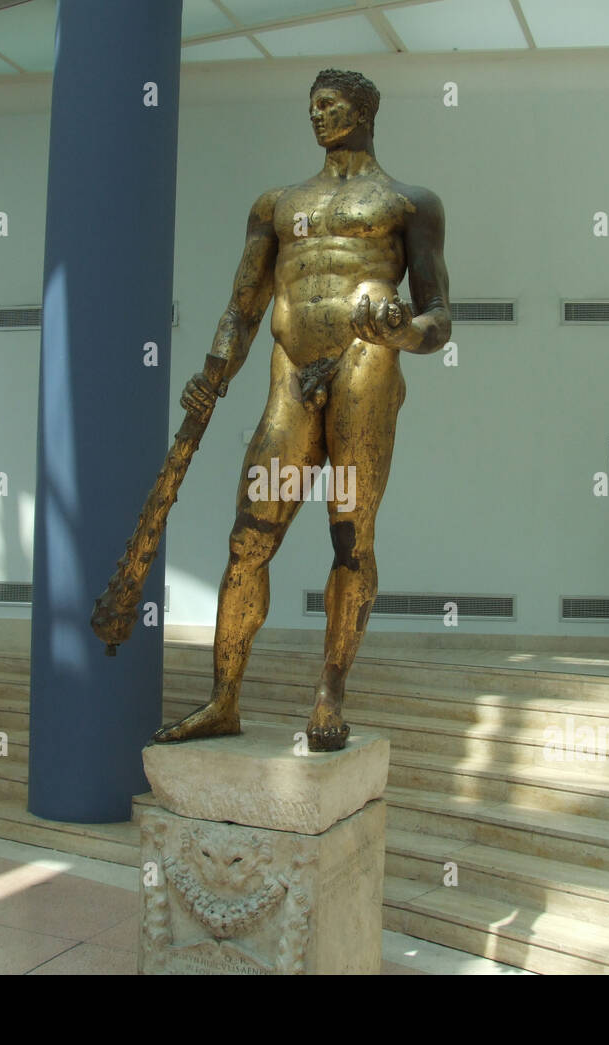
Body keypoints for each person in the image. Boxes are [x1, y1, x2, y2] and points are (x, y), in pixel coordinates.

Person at [153, 69, 452, 751]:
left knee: (351, 534)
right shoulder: (277, 204)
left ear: (365, 112)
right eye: (312, 107)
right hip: (289, 374)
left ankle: (330, 691)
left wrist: (403, 331)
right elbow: (245, 304)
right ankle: (223, 697)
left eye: (332, 106)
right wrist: (212, 370)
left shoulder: (410, 203)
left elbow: (440, 316)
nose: (318, 116)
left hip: (365, 364)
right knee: (247, 539)